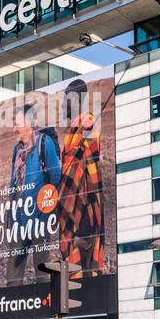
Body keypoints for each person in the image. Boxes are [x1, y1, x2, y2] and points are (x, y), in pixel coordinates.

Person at [57, 79, 107, 276]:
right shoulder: (73, 129)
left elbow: (89, 163)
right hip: (70, 199)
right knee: (74, 252)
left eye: (66, 100)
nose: (62, 105)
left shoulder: (88, 123)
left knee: (84, 247)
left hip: (84, 199)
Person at [8, 101, 61, 284]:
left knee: (42, 274)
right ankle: (13, 311)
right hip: (18, 223)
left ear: (28, 124)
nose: (14, 129)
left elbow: (55, 178)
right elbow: (13, 182)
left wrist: (44, 210)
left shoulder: (44, 144)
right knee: (13, 276)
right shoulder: (17, 150)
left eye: (17, 123)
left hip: (39, 220)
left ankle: (47, 309)